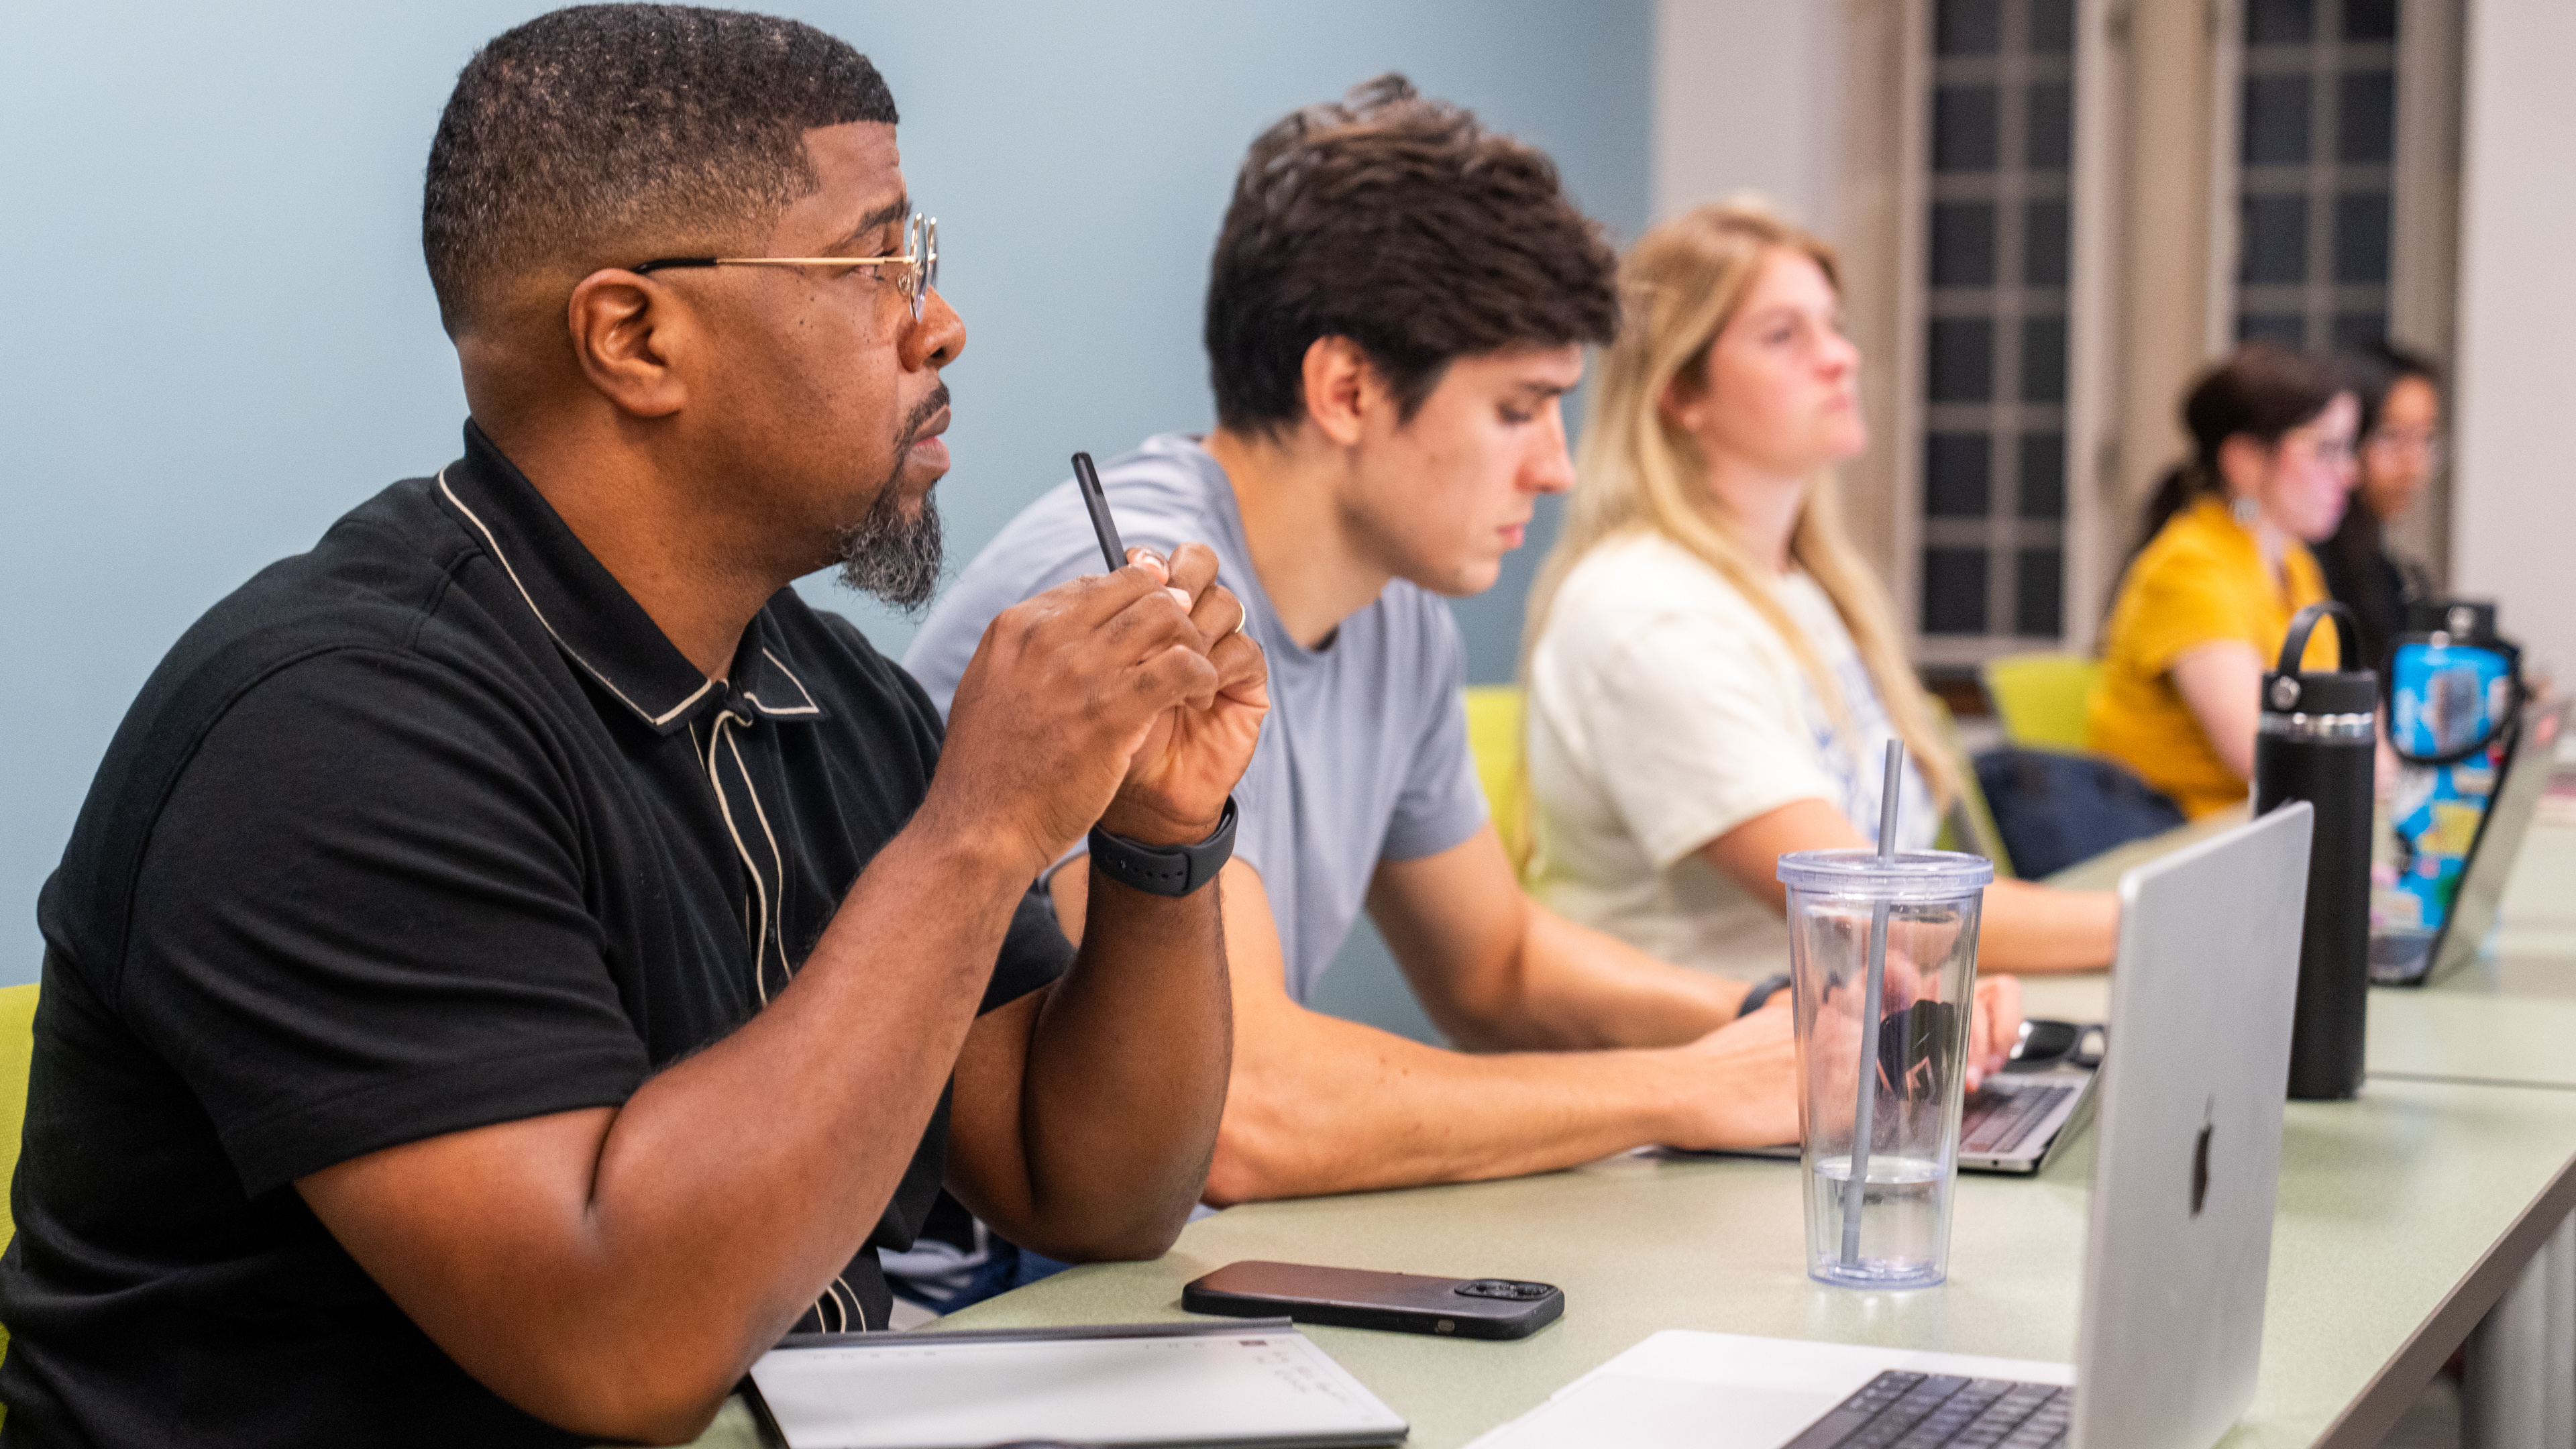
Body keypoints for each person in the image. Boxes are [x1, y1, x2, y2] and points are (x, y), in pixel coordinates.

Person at [0, 9, 1264, 1446]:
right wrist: (980, 832)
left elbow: (1083, 1184)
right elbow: (621, 1344)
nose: (940, 320)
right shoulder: (326, 736)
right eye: (874, 262)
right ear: (634, 337)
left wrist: (1159, 844)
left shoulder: (832, 697)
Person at [906, 80, 2023, 1206]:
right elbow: (1242, 1112)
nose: (1558, 466)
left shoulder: (1396, 613)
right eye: (1516, 410)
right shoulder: (1132, 592)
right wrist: (1684, 1091)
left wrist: (1778, 1020)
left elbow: (1498, 967)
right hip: (969, 1296)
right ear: (1346, 389)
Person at [1518, 203, 2117, 983]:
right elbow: (1873, 911)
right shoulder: (1647, 611)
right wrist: (2157, 921)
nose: (1840, 357)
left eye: (1832, 325)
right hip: (1699, 1072)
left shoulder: (1803, 588)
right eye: (1784, 335)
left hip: (1842, 1049)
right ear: (1680, 393)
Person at [2088, 343, 2355, 818]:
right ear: (2245, 461)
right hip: (2183, 844)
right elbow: (2268, 755)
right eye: (2325, 450)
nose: (2348, 473)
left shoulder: (2292, 563)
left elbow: (2343, 719)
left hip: (2259, 835)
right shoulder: (2189, 567)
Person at [2318, 343, 2443, 671]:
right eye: (2391, 437)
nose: (2414, 465)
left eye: (2425, 438)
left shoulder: (2388, 574)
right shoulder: (2308, 562)